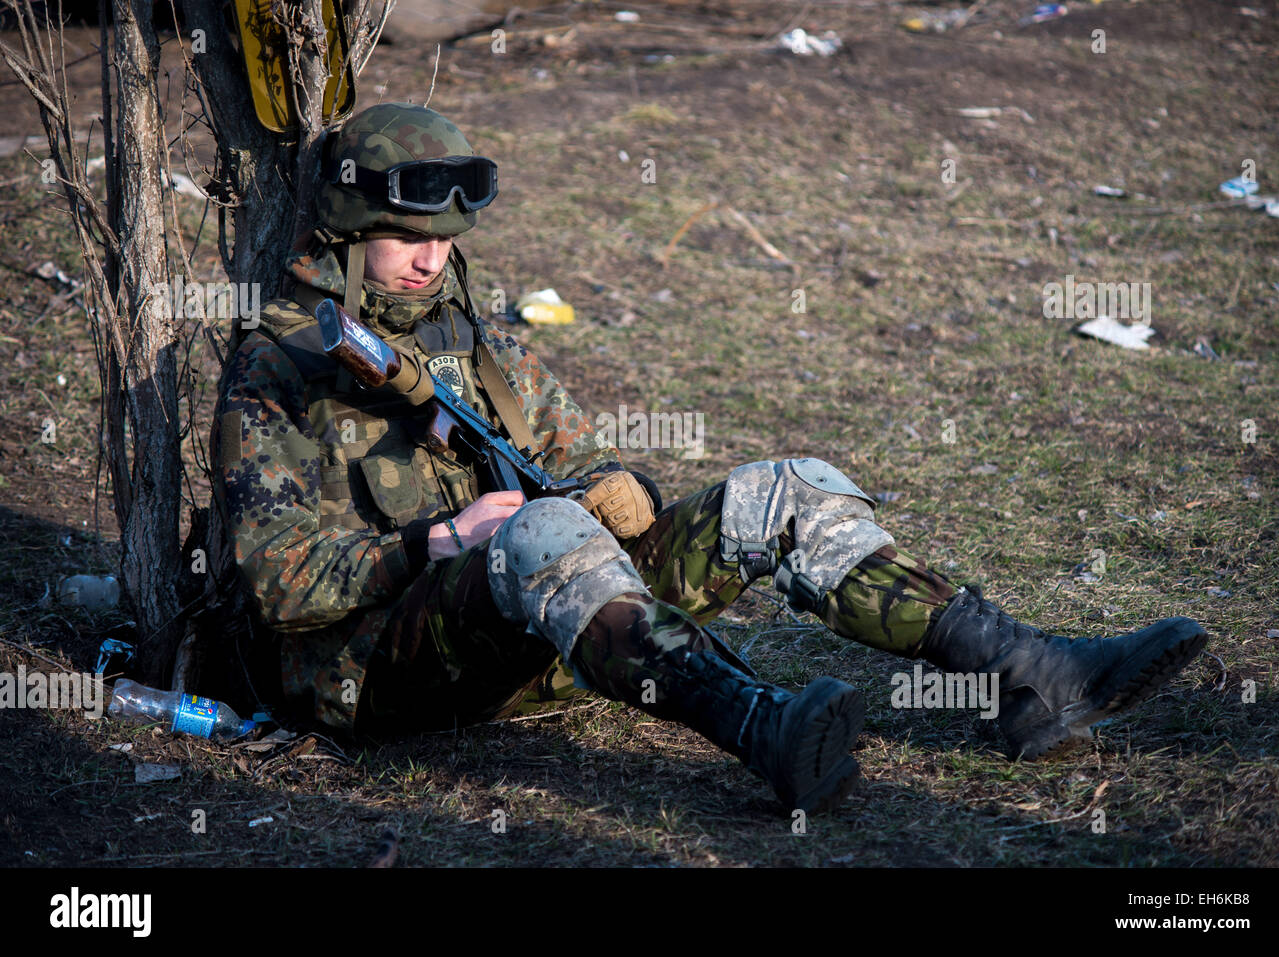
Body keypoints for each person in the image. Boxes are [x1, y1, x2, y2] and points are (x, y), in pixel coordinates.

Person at [210, 103, 1207, 816]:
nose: (427, 259)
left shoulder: (476, 338)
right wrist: (434, 541)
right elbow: (274, 588)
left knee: (785, 491)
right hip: (377, 676)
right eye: (399, 238)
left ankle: (1033, 675)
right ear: (348, 229)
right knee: (541, 529)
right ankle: (766, 730)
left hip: (546, 632)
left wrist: (622, 490)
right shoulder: (282, 367)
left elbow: (573, 457)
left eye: (442, 237)